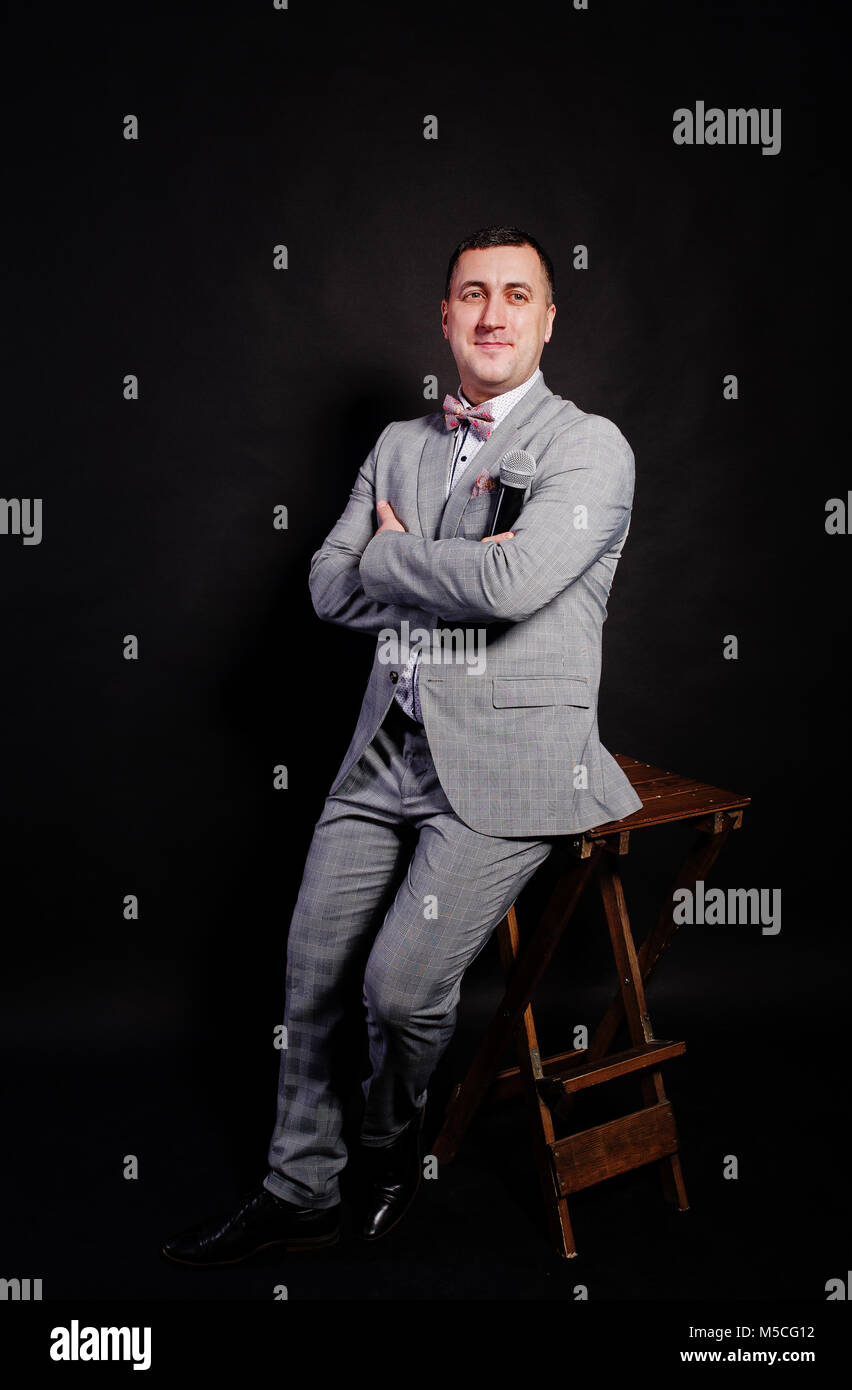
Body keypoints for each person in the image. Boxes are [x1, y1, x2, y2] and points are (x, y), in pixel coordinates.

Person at [161, 225, 642, 1266]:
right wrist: (437, 562)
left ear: (548, 319)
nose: (492, 313)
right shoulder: (398, 444)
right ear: (443, 316)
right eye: (472, 293)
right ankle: (300, 1187)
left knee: (397, 990)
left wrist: (394, 553)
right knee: (308, 972)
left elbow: (512, 590)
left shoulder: (588, 446)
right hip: (387, 747)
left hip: (509, 760)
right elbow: (327, 587)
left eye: (517, 294)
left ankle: (389, 1144)